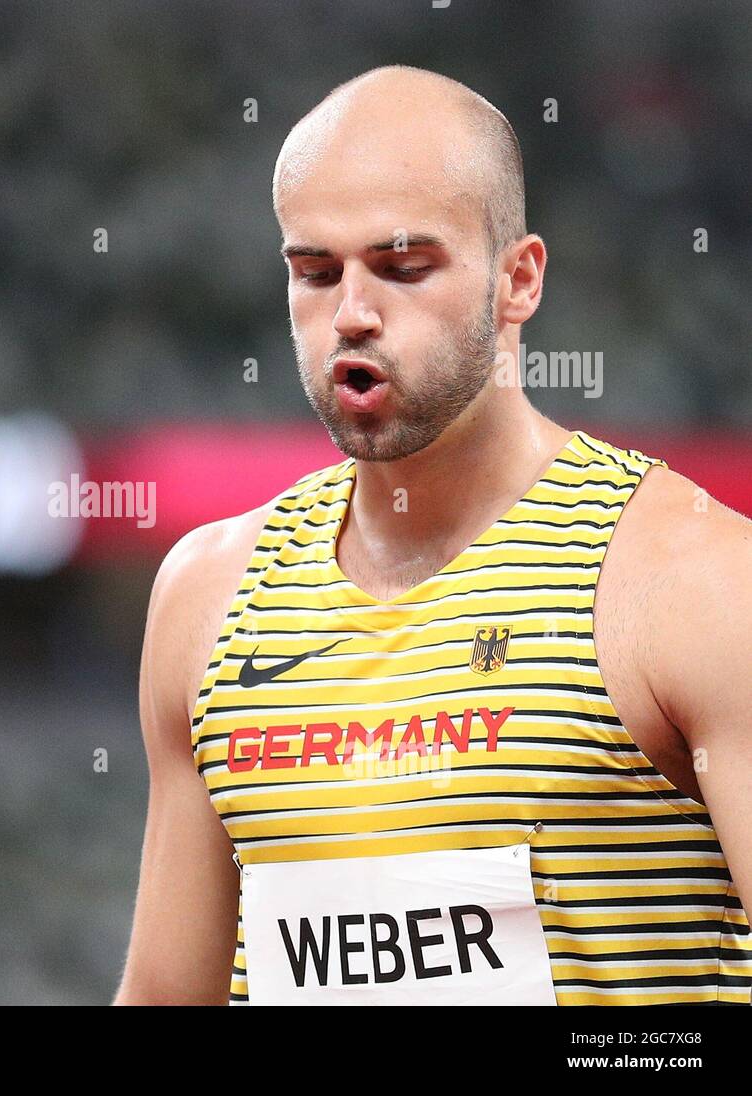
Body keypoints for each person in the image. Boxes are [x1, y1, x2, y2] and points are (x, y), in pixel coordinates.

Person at [114, 65, 751, 1005]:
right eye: (316, 273)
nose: (354, 313)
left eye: (404, 267)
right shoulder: (208, 597)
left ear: (517, 280)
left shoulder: (693, 581)